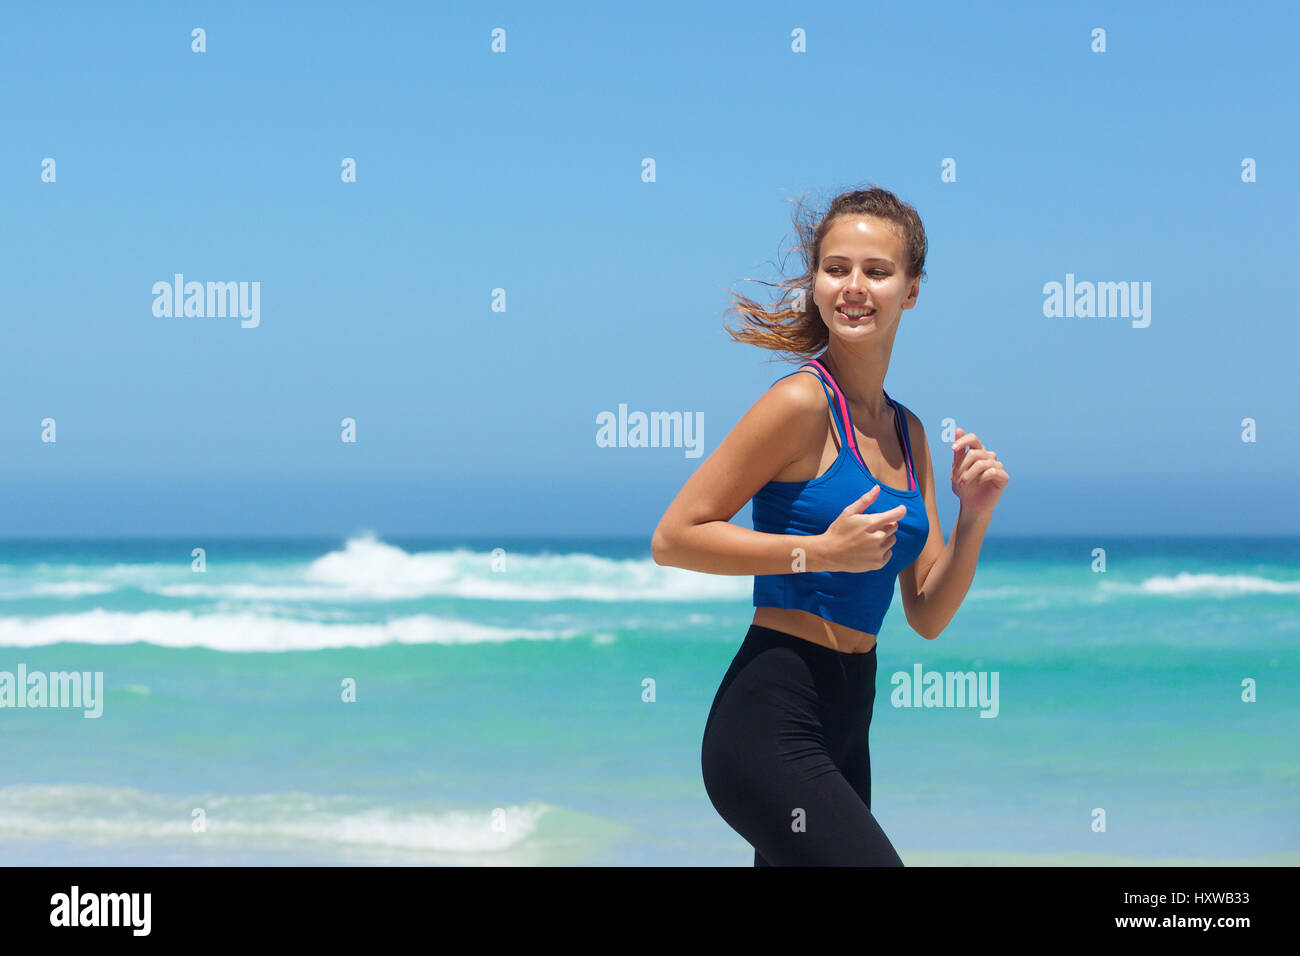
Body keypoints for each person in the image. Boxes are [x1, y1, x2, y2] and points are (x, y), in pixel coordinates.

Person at [651, 185, 1009, 866]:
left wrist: (973, 518)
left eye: (876, 271)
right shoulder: (799, 404)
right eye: (836, 268)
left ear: (911, 290)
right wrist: (816, 553)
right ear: (814, 285)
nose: (854, 286)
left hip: (850, 719)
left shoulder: (910, 435)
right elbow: (674, 537)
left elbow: (927, 612)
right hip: (769, 720)